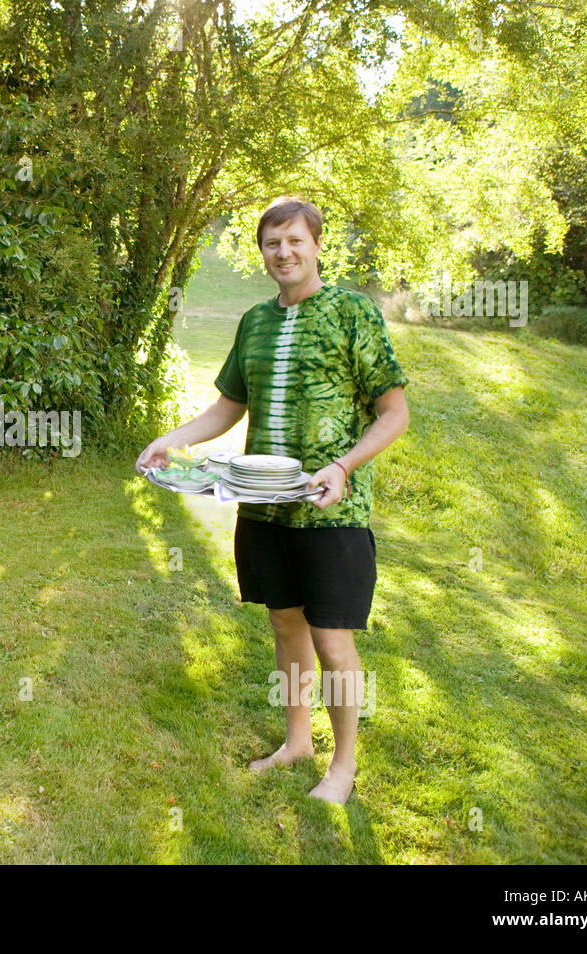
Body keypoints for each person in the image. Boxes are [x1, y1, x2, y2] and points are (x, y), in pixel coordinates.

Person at [136, 196, 409, 804]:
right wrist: (171, 439)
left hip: (330, 508)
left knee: (333, 641)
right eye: (270, 243)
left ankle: (342, 767)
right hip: (261, 506)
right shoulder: (255, 322)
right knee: (286, 626)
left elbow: (394, 413)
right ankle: (296, 743)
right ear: (261, 252)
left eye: (293, 241)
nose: (282, 253)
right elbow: (230, 405)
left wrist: (342, 467)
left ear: (316, 245)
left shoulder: (352, 312)